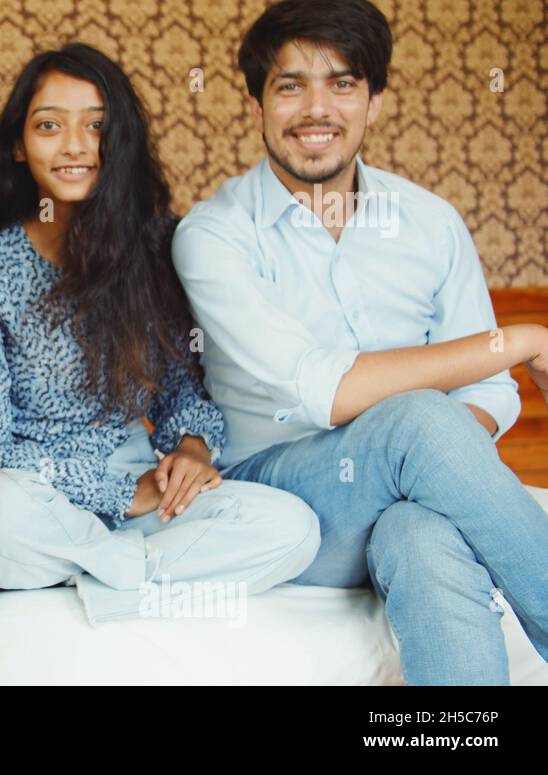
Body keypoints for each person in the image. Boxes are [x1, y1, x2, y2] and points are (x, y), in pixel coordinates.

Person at [172, 0, 548, 684]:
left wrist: (435, 460)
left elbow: (487, 390)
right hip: (279, 496)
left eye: (342, 83)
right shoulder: (213, 235)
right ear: (255, 108)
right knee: (419, 421)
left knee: (421, 532)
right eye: (290, 86)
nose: (317, 109)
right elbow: (326, 387)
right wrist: (520, 337)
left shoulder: (431, 224)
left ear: (374, 101)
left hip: (399, 499)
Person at [0, 43, 320, 624]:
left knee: (292, 528)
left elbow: (180, 388)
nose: (75, 145)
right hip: (39, 496)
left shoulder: (154, 248)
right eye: (50, 126)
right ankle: (146, 578)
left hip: (141, 482)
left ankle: (96, 576)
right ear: (19, 147)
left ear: (119, 142)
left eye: (97, 126)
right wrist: (121, 496)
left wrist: (193, 449)